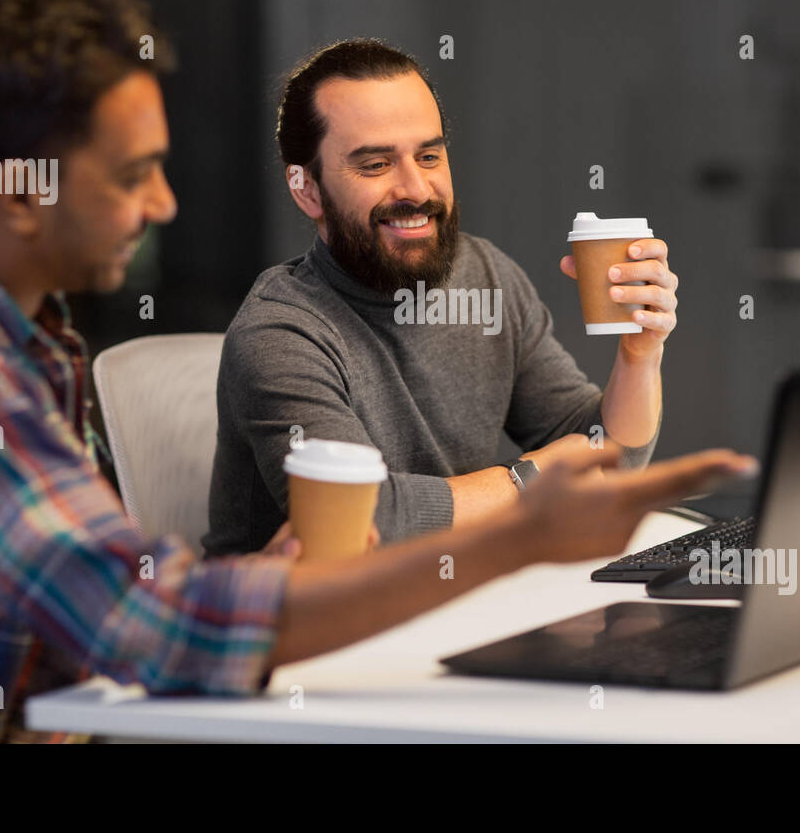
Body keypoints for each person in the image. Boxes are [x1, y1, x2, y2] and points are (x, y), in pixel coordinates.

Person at [0, 0, 755, 742]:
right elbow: (154, 627)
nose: (165, 204)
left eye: (429, 152)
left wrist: (639, 359)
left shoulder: (3, 324)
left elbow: (91, 587)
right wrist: (519, 528)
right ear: (17, 192)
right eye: (134, 175)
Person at [206, 38, 681, 555]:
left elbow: (608, 458)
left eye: (429, 155)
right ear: (308, 190)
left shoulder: (486, 275)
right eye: (375, 165)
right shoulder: (280, 332)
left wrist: (640, 354)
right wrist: (531, 481)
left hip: (447, 596)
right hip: (302, 624)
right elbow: (365, 522)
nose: (416, 188)